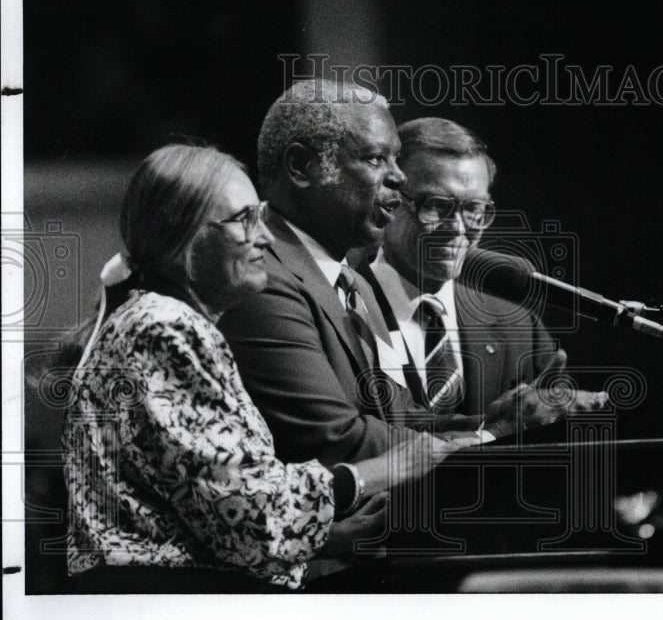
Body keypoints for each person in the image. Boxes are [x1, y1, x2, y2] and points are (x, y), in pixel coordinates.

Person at [62, 144, 461, 593]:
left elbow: (209, 513)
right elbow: (250, 514)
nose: (267, 238)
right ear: (183, 236)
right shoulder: (165, 328)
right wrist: (380, 471)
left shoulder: (155, 322)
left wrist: (328, 540)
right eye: (245, 219)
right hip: (174, 618)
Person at [218, 80, 585, 468]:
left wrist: (495, 422)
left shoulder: (345, 282)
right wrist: (487, 437)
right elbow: (338, 439)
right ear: (301, 166)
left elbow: (402, 417)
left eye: (395, 159)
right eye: (376, 158)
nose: (397, 177)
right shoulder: (261, 280)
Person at [358, 117, 561, 416]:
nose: (457, 228)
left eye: (474, 209)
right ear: (388, 199)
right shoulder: (345, 308)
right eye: (436, 205)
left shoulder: (518, 325)